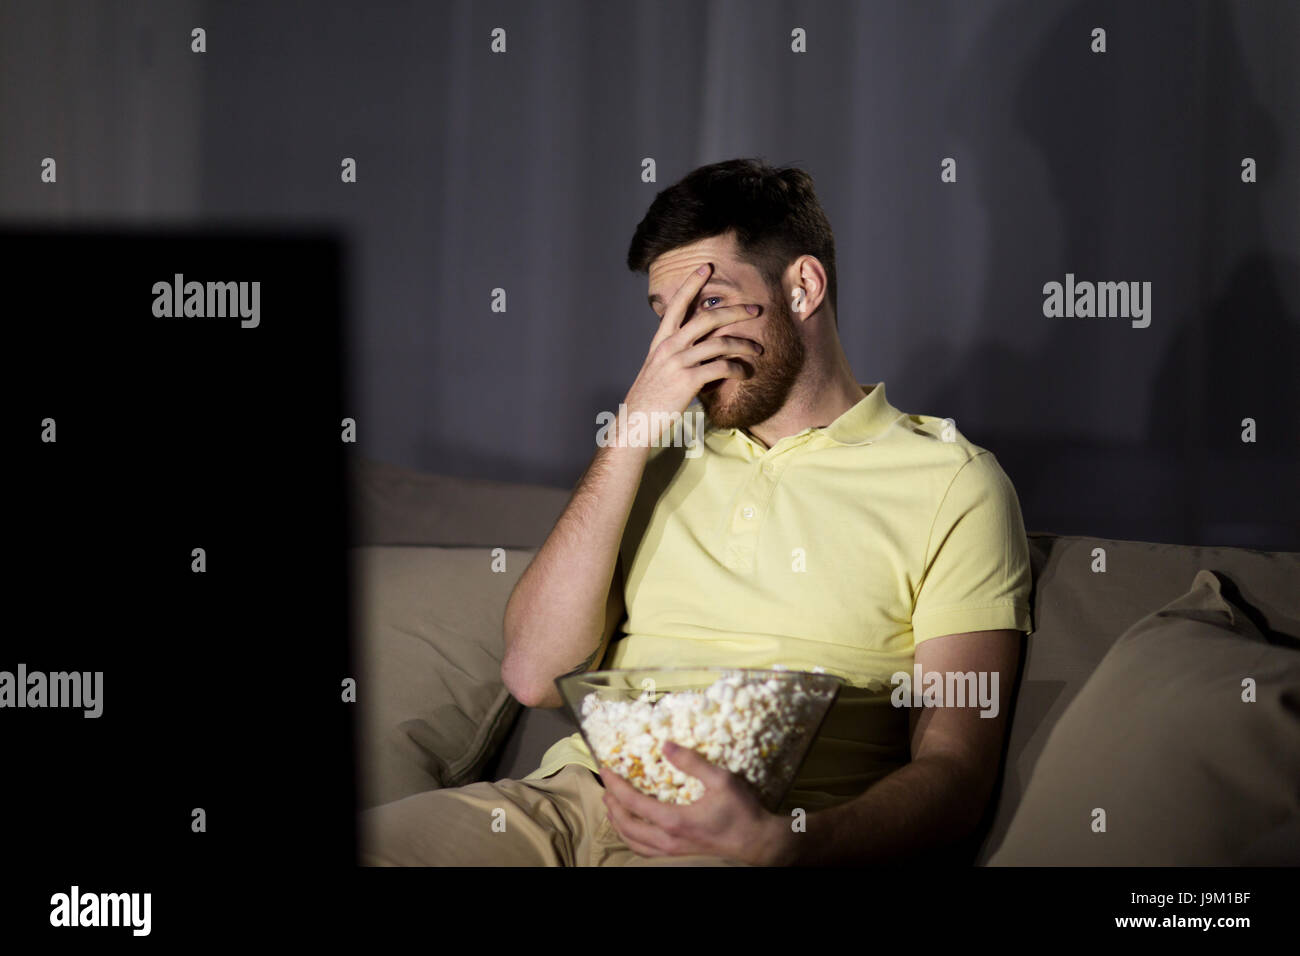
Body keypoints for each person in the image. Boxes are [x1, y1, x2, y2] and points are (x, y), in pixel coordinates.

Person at [359, 157, 1033, 866]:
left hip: (754, 837)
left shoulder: (951, 482)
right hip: (571, 805)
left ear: (802, 287)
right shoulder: (653, 455)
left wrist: (788, 845)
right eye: (665, 315)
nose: (682, 344)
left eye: (707, 304)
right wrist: (633, 425)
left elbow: (958, 771)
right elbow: (533, 671)